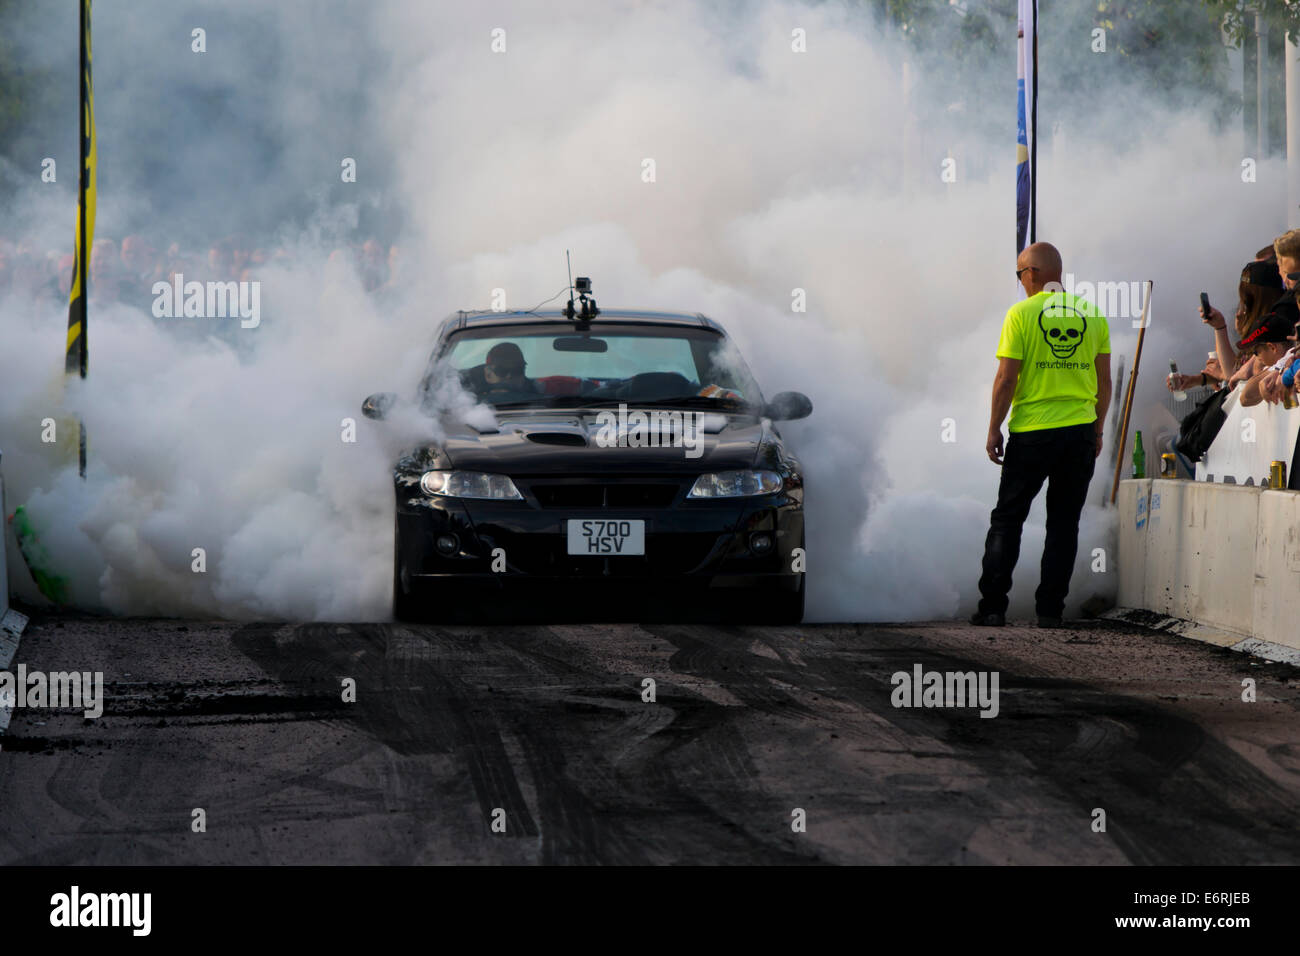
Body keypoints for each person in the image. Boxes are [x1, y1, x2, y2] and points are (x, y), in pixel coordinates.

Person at [972, 242, 1112, 629]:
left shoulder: (1020, 314)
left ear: (1032, 273)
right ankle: (1050, 610)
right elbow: (1104, 382)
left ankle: (993, 607)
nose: (1019, 280)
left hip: (1032, 432)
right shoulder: (1093, 313)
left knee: (1007, 519)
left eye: (1019, 274)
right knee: (1064, 524)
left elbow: (1006, 379)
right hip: (1079, 433)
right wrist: (1097, 429)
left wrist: (993, 428)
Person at [462, 342, 541, 401]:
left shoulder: (542, 396)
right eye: (502, 371)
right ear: (488, 374)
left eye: (517, 370)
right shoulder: (466, 400)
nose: (509, 376)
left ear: (524, 370)